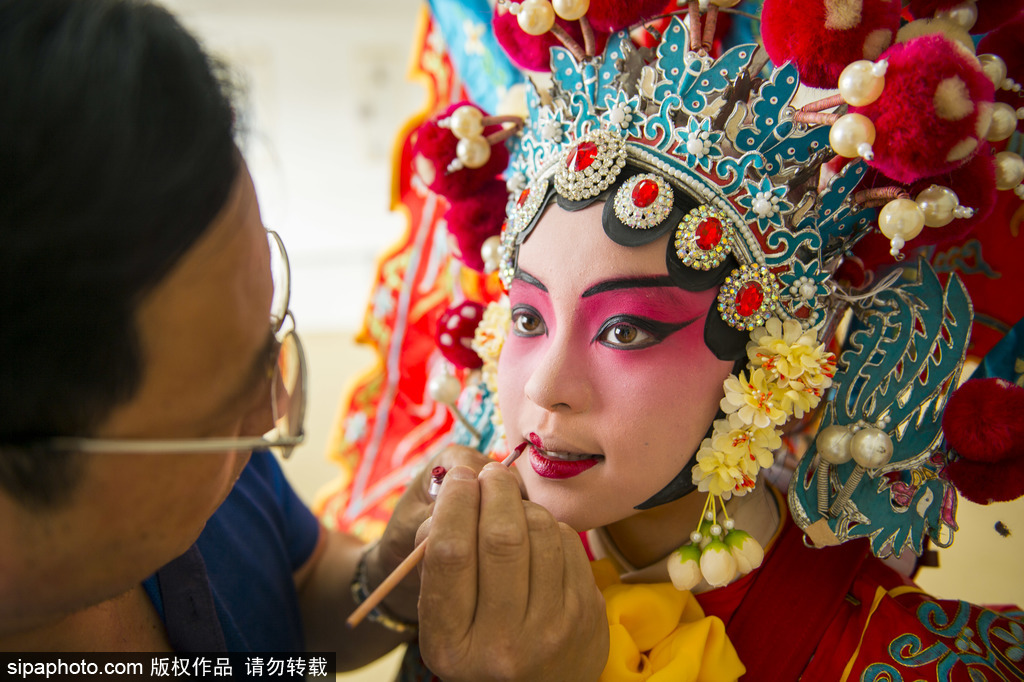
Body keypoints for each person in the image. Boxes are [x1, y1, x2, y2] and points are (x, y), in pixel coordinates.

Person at [380, 1, 1024, 679]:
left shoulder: (907, 661)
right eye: (529, 319)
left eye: (625, 329)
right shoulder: (471, 574)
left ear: (769, 368)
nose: (542, 387)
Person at [0, 1, 610, 677]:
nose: (269, 418)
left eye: (265, 337)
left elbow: (287, 597)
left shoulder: (204, 439)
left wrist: (384, 577)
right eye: (220, 410)